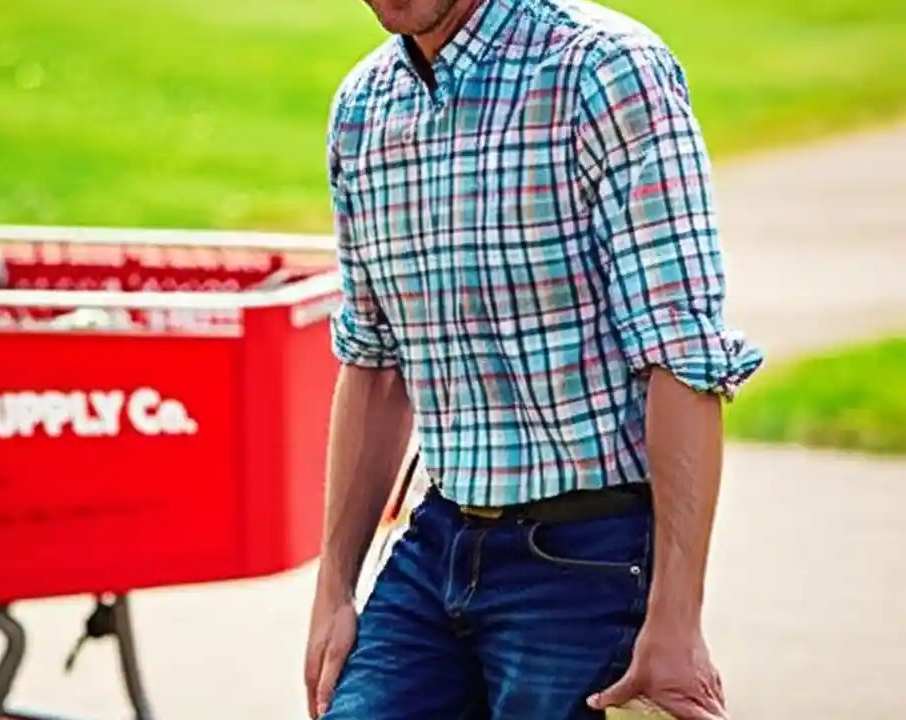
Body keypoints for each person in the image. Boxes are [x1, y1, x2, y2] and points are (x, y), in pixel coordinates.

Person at [303, 0, 764, 718]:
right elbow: (374, 362)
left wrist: (676, 620)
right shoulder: (363, 109)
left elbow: (681, 355)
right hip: (438, 545)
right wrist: (334, 589)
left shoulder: (605, 72)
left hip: (591, 557)